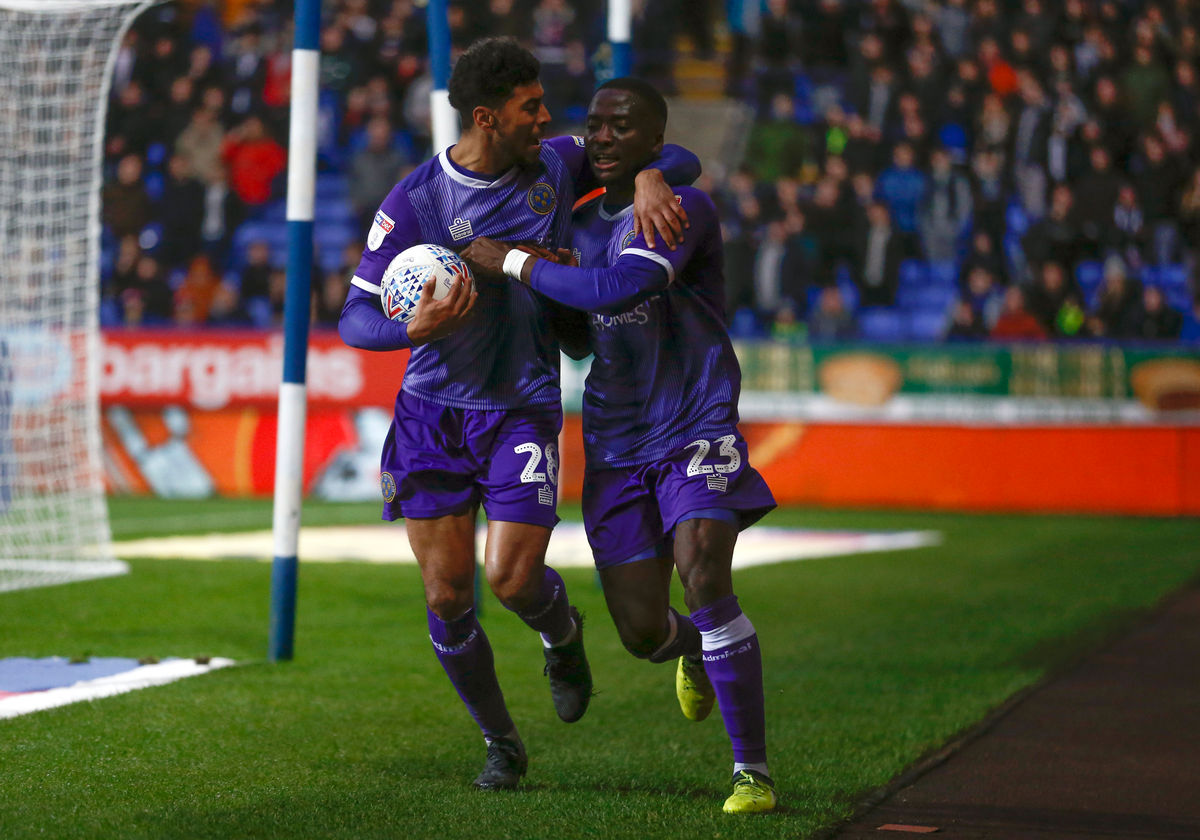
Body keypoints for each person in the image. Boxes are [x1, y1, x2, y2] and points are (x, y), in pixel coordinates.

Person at [336, 39, 699, 792]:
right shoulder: (416, 202)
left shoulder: (558, 167)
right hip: (430, 415)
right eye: (530, 106)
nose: (548, 117)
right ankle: (500, 741)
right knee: (446, 595)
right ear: (486, 117)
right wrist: (412, 331)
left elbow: (670, 153)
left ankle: (561, 635)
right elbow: (352, 320)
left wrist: (657, 177)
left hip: (519, 412)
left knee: (511, 579)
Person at [463, 78, 778, 814]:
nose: (601, 137)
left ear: (655, 142)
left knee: (703, 572)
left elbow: (615, 292)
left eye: (621, 128)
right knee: (641, 632)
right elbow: (581, 333)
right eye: (595, 126)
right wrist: (551, 283)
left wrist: (512, 262)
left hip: (694, 420)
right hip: (614, 438)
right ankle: (698, 651)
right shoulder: (574, 223)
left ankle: (752, 773)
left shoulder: (677, 206)